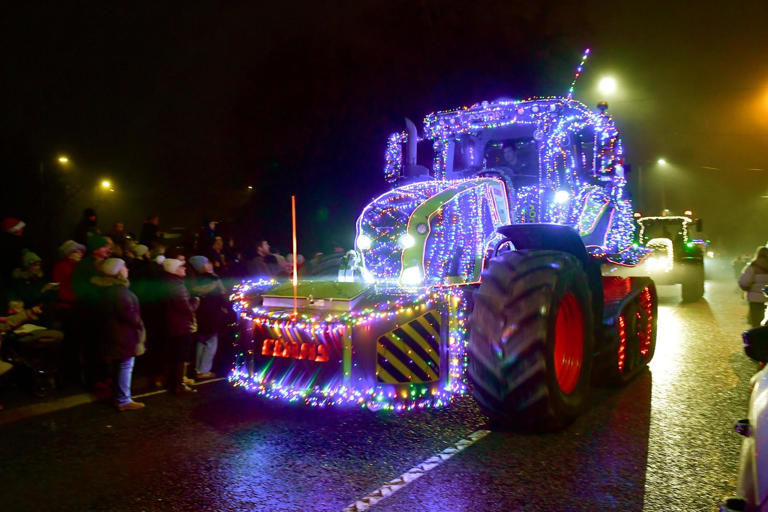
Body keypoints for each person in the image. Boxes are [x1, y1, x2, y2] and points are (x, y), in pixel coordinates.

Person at [92, 258, 146, 411]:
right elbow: (129, 314)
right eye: (124, 267)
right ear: (117, 271)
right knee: (126, 365)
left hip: (115, 333)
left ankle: (118, 396)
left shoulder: (107, 289)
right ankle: (123, 399)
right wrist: (139, 323)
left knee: (119, 365)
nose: (127, 269)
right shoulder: (120, 291)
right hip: (123, 334)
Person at [161, 258, 199, 394]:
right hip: (182, 325)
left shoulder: (166, 283)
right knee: (181, 355)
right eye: (181, 267)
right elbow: (186, 308)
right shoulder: (177, 286)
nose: (184, 269)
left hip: (172, 324)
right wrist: (196, 301)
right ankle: (179, 385)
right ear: (174, 270)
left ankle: (171, 383)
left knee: (174, 354)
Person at [188, 255, 228, 379]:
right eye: (207, 263)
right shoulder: (211, 279)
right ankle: (204, 370)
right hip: (211, 314)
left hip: (202, 314)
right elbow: (222, 292)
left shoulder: (194, 279)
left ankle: (198, 368)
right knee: (211, 342)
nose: (209, 265)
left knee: (201, 342)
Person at [739, 246, 768, 328]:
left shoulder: (753, 267)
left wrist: (746, 288)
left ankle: (756, 337)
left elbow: (744, 282)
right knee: (761, 318)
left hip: (754, 298)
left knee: (755, 321)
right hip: (766, 297)